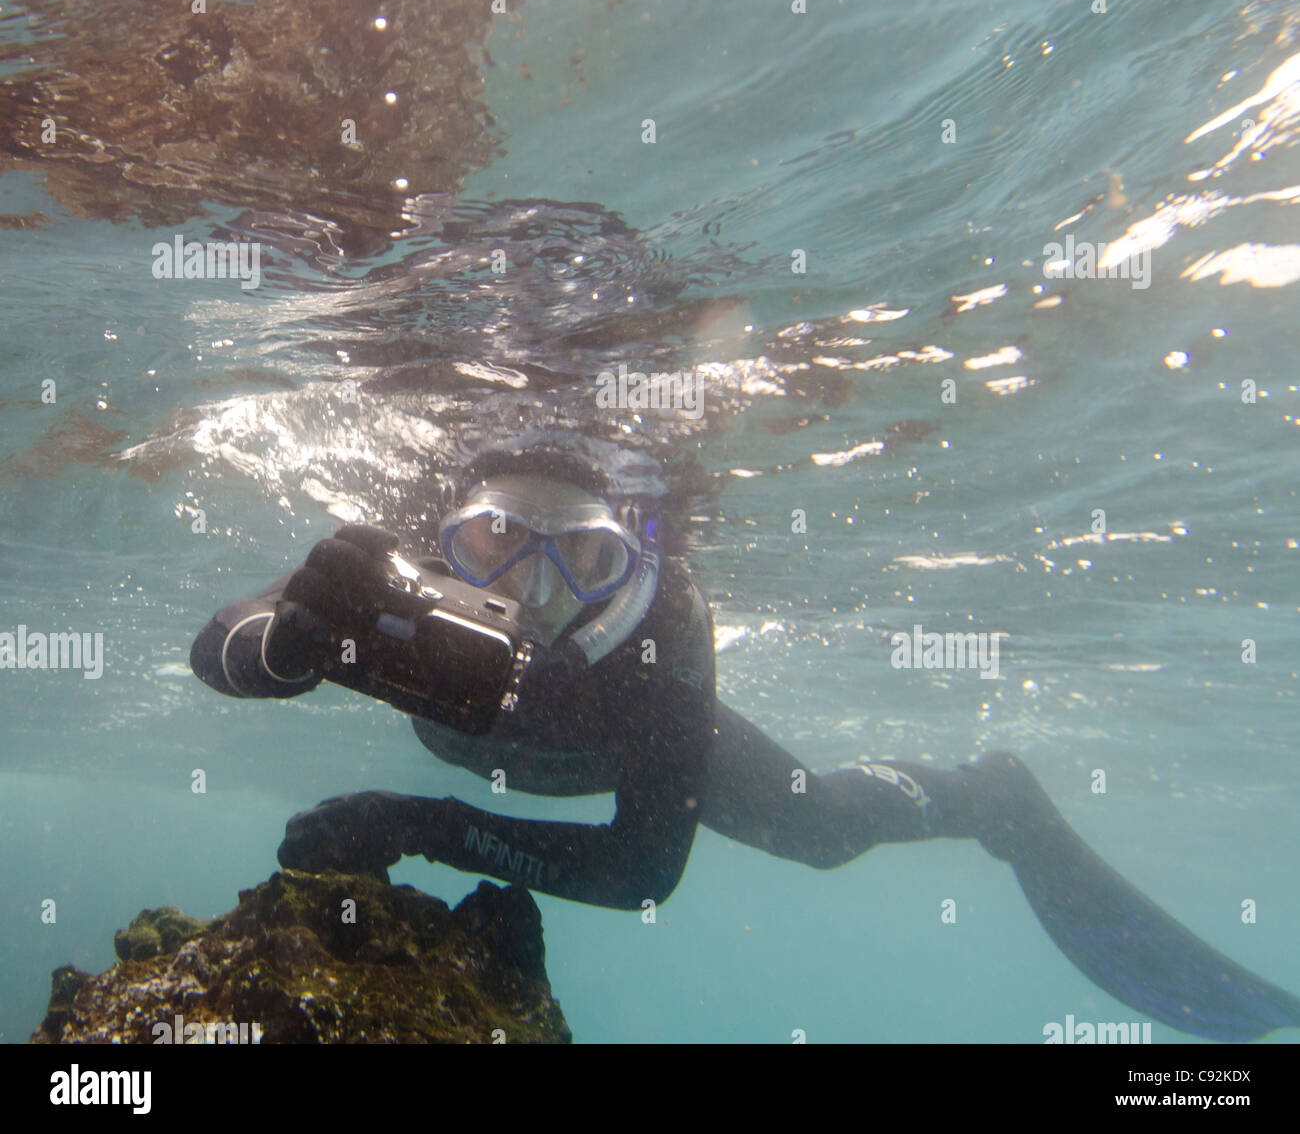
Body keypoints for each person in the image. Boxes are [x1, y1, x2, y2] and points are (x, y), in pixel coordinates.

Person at [191, 430, 1300, 1042]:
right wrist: (295, 645)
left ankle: (989, 794)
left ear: (629, 565)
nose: (531, 592)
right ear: (442, 545)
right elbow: (221, 644)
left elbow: (641, 870)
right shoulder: (400, 595)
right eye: (492, 542)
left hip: (630, 751)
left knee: (814, 827)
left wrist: (414, 820)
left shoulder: (659, 632)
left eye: (580, 557)